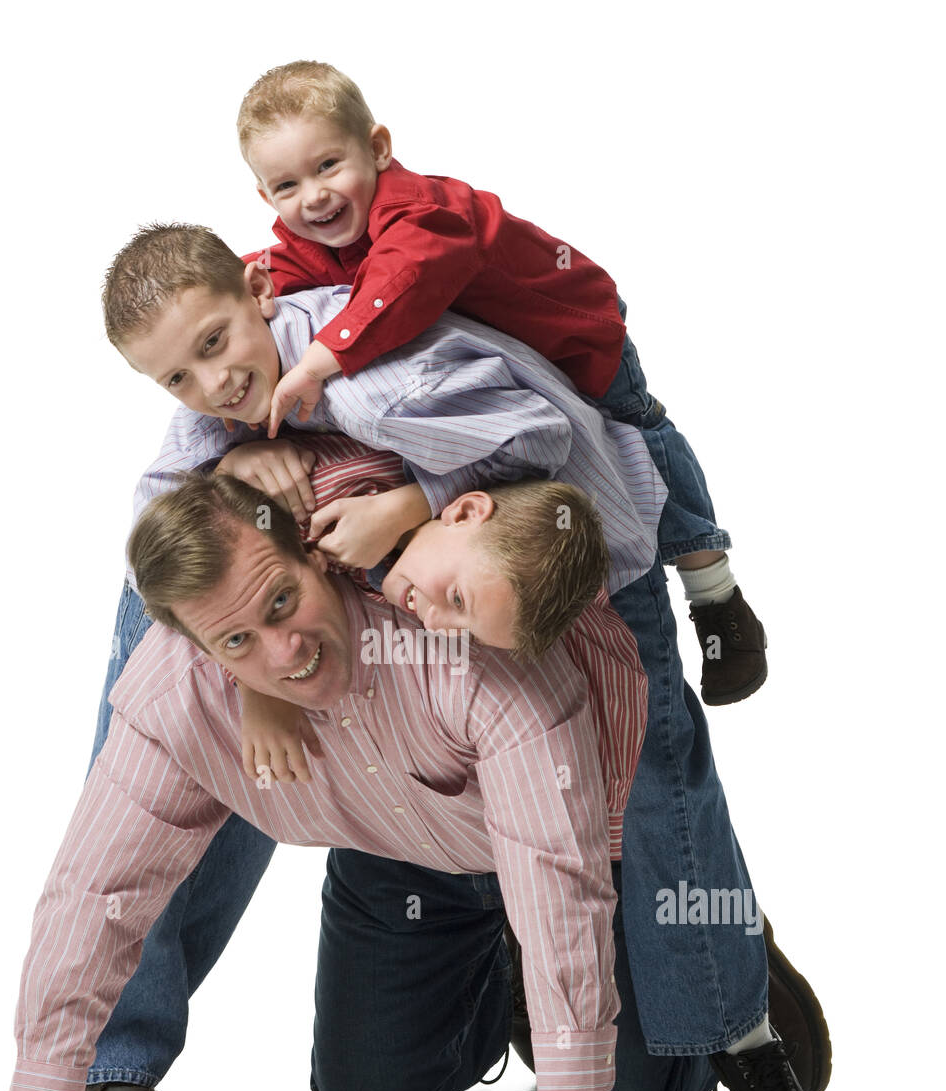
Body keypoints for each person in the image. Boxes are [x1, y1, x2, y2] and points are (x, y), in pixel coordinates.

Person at [86, 224, 827, 1091]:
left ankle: (731, 1005)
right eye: (176, 378)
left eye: (216, 346)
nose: (210, 385)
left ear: (262, 293)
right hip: (414, 812)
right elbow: (156, 538)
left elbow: (546, 438)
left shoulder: (390, 377)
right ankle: (118, 1051)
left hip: (547, 759)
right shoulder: (217, 431)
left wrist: (411, 498)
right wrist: (231, 530)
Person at [236, 59, 768, 708]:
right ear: (266, 197)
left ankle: (710, 586)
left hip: (573, 343)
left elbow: (399, 283)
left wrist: (322, 358)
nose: (313, 197)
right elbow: (264, 274)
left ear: (377, 148)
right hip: (505, 382)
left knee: (639, 452)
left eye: (327, 167)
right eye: (286, 185)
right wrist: (220, 293)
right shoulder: (306, 235)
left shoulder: (422, 212)